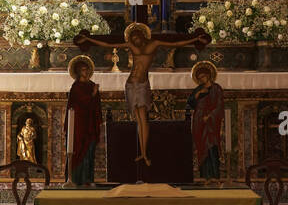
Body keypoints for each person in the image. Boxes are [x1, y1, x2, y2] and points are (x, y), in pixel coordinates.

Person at [75, 21, 210, 166]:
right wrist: (88, 40)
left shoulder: (154, 43)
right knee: (138, 119)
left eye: (137, 38)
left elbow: (176, 43)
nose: (135, 41)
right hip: (131, 84)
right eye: (133, 39)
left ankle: (144, 153)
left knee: (143, 118)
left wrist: (195, 39)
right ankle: (142, 153)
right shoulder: (132, 46)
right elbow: (109, 45)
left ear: (142, 35)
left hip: (142, 85)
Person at [66, 55, 102, 186]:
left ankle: (88, 179)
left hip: (90, 123)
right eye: (83, 70)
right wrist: (93, 94)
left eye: (87, 70)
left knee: (89, 152)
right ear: (78, 72)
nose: (86, 72)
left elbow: (97, 105)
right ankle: (76, 179)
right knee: (79, 150)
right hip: (79, 125)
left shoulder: (92, 85)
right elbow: (81, 103)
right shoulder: (76, 87)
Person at [187, 62, 225, 180]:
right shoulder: (198, 89)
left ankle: (215, 175)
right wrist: (198, 94)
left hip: (211, 123)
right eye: (199, 78)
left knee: (211, 146)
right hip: (199, 121)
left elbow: (219, 105)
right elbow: (190, 103)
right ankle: (205, 176)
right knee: (201, 147)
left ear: (209, 75)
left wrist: (210, 116)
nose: (202, 80)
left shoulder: (216, 88)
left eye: (203, 77)